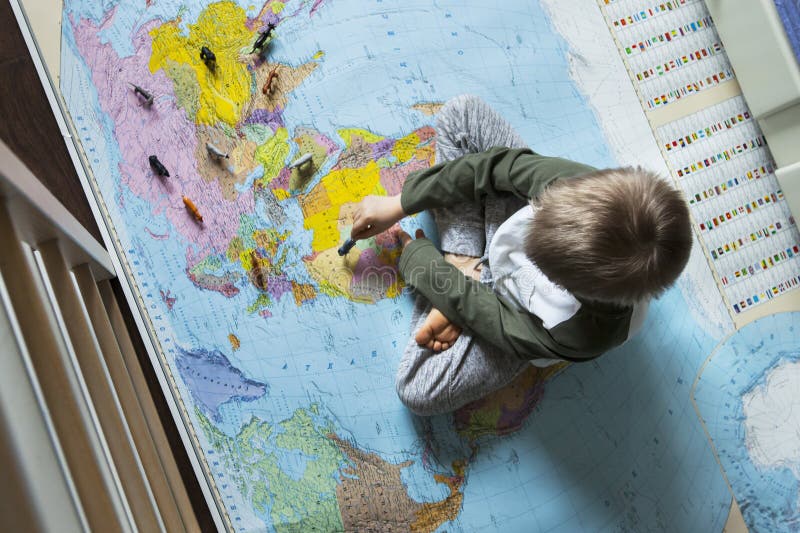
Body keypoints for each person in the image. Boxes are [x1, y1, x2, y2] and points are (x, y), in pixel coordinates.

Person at [350, 95, 692, 416]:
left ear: (557, 280)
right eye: (542, 208)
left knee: (417, 390)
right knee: (463, 114)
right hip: (504, 237)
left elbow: (499, 323)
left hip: (518, 314)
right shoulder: (583, 188)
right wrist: (400, 203)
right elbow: (500, 167)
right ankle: (462, 268)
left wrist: (422, 265)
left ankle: (463, 275)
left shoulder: (584, 333)